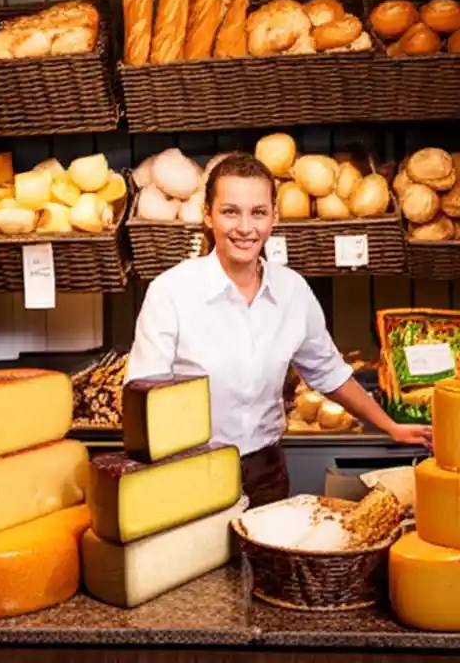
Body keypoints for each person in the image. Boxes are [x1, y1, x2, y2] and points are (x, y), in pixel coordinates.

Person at [125, 152, 432, 507]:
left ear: (274, 216)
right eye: (230, 211)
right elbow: (142, 395)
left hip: (265, 470)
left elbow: (329, 374)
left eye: (258, 212)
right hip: (190, 471)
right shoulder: (171, 292)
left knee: (265, 562)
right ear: (207, 215)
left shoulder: (292, 291)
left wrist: (390, 425)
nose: (245, 227)